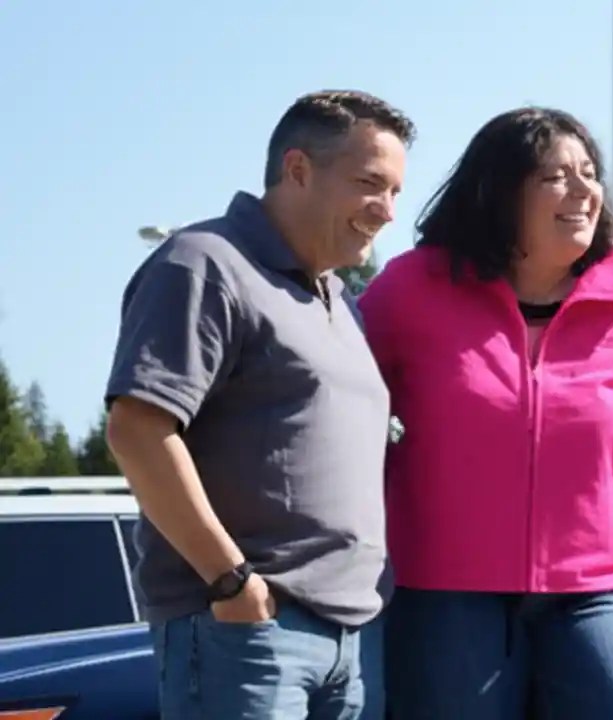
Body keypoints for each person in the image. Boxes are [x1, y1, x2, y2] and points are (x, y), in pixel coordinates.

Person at [357, 106, 613, 719]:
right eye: (554, 177)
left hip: (604, 590)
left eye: (590, 174)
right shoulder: (408, 292)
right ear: (499, 190)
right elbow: (336, 411)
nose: (583, 191)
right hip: (443, 594)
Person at [103, 89, 415, 719]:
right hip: (247, 633)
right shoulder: (202, 264)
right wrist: (231, 583)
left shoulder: (341, 303)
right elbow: (137, 429)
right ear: (298, 169)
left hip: (350, 645)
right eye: (368, 184)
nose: (385, 211)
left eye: (395, 193)